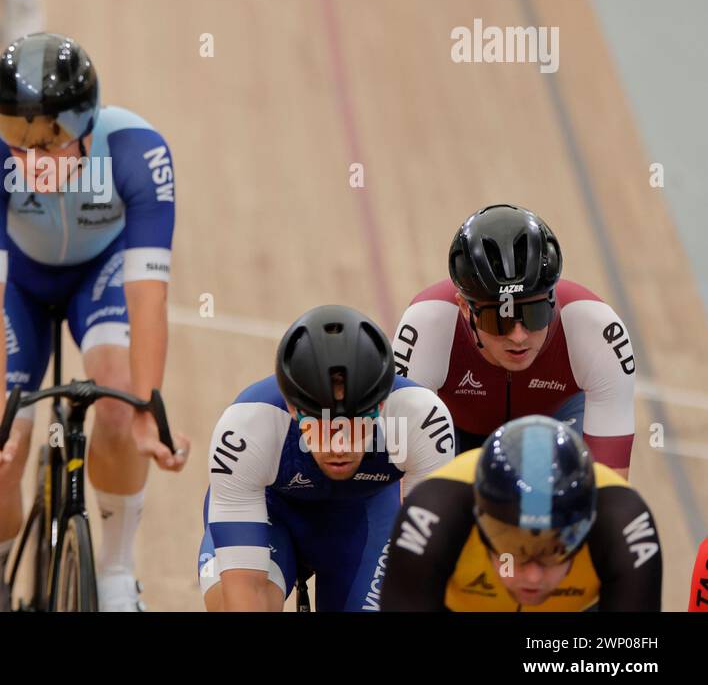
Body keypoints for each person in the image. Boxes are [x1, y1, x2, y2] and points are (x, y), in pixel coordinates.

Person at [0, 32, 189, 611]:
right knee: (0, 454)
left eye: (49, 144)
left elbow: (147, 294)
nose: (31, 163)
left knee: (114, 402)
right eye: (18, 143)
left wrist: (146, 407)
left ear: (87, 127)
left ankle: (113, 568)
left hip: (99, 276)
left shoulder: (138, 150)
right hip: (17, 285)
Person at [199, 305, 456, 612]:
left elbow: (425, 574)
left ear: (383, 404)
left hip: (365, 516)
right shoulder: (248, 426)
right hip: (271, 510)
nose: (339, 445)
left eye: (356, 423)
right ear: (293, 408)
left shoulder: (419, 418)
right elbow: (246, 590)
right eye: (322, 424)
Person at [392, 204, 635, 478]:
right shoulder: (428, 323)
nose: (518, 336)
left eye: (534, 314)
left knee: (569, 495)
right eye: (498, 321)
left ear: (552, 299)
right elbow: (402, 482)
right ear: (464, 308)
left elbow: (610, 485)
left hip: (553, 428)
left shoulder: (595, 329)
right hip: (453, 432)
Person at [381, 415, 661, 611]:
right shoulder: (436, 510)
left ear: (589, 524)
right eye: (513, 548)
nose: (533, 577)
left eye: (555, 548)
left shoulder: (622, 521)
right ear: (478, 519)